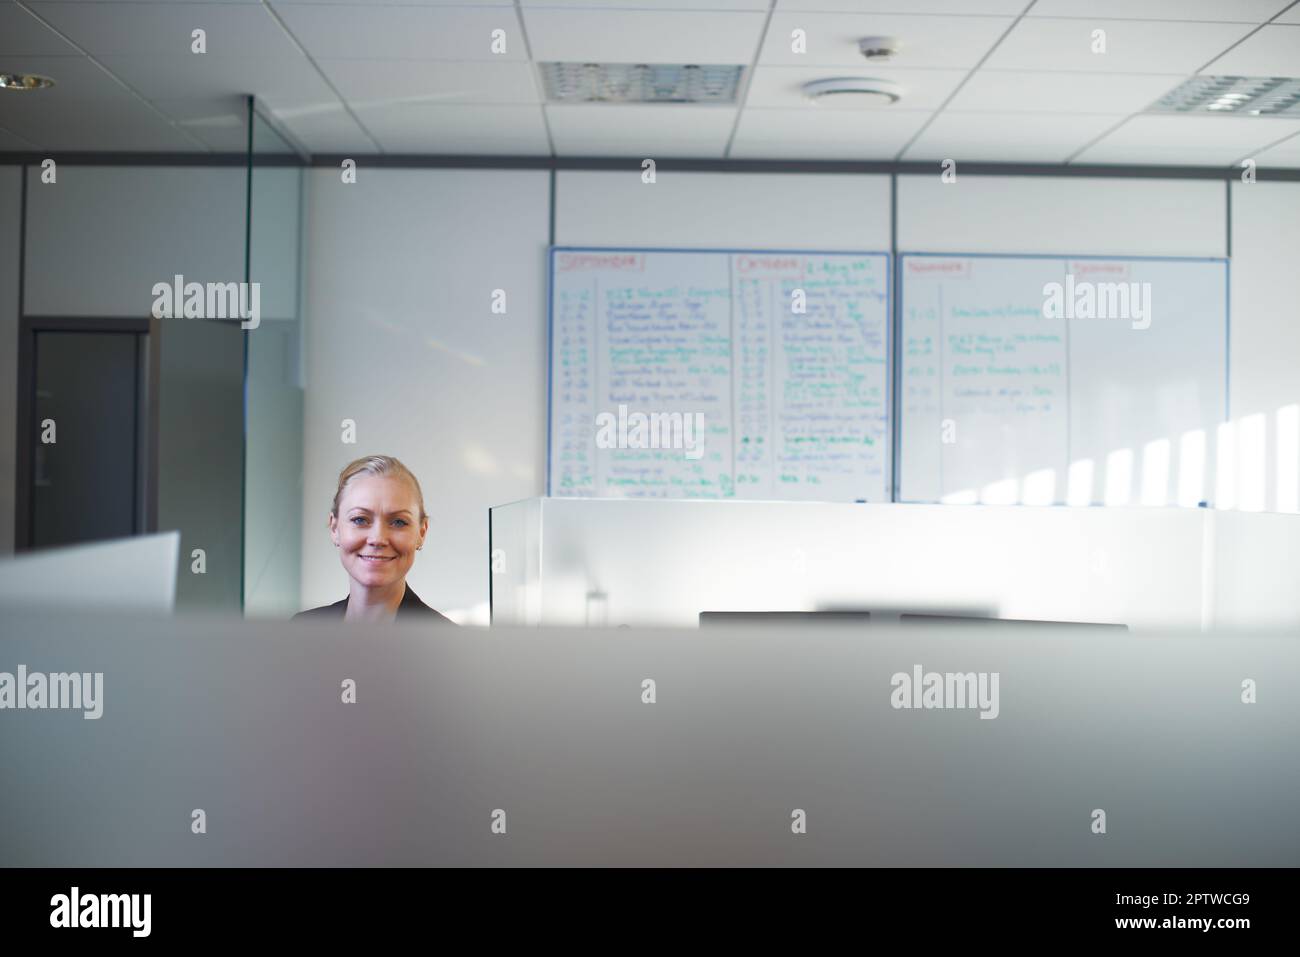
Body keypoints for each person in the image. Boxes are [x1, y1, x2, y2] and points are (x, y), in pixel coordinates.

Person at [295, 455, 454, 624]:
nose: (378, 539)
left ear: (421, 533)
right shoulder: (300, 630)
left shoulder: (449, 644)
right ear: (335, 528)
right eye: (360, 520)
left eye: (398, 522)